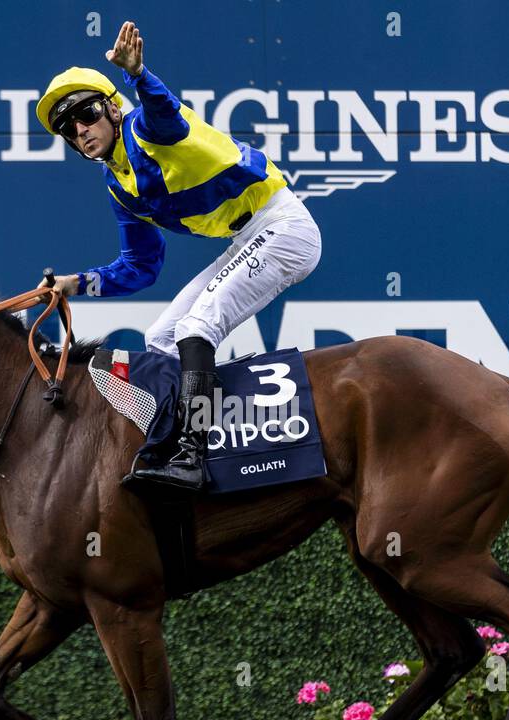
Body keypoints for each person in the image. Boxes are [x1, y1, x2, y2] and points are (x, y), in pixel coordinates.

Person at [35, 20, 322, 494]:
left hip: (284, 227)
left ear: (111, 108)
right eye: (68, 128)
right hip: (252, 236)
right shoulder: (118, 186)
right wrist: (75, 284)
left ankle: (194, 451)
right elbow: (140, 267)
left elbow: (164, 112)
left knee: (196, 327)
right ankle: (170, 443)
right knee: (161, 335)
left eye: (86, 114)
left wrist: (138, 73)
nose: (81, 130)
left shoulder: (146, 129)